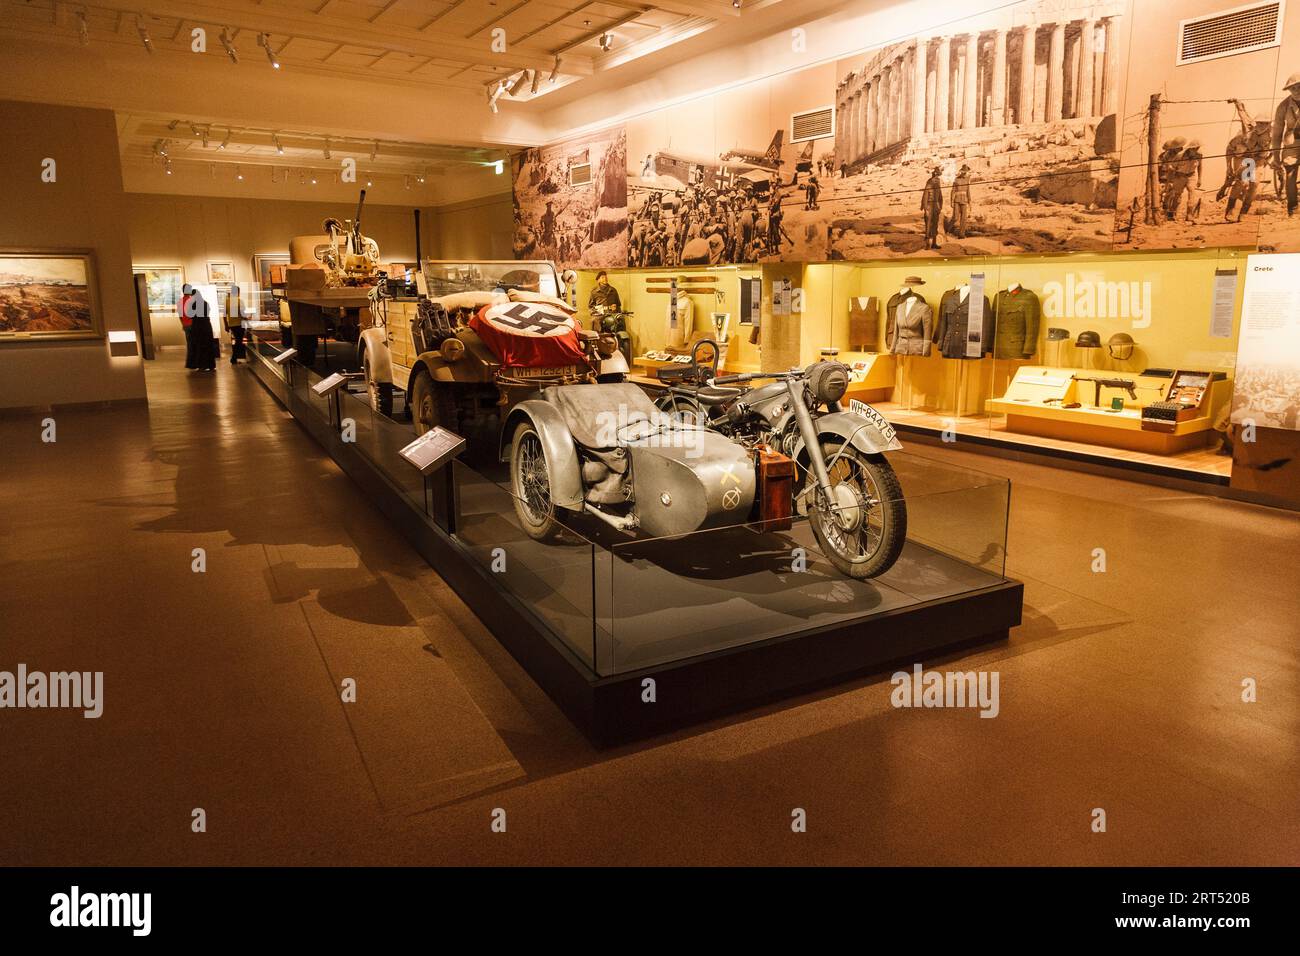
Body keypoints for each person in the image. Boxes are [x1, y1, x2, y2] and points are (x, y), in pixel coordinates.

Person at [1221, 102, 1273, 222]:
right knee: (1242, 183)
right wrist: (1228, 167)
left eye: (1265, 123)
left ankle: (1243, 212)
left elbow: (1276, 147)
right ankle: (1230, 210)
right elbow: (1243, 117)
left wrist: (1267, 159)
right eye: (1259, 123)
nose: (1261, 126)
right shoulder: (1246, 134)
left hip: (1259, 160)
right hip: (1247, 159)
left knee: (1254, 185)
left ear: (1269, 124)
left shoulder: (1272, 133)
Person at [1272, 73, 1300, 216]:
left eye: (1299, 87)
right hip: (1292, 143)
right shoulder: (1283, 107)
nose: (1296, 90)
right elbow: (1276, 134)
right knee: (1290, 175)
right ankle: (1293, 207)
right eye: (1292, 88)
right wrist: (1276, 156)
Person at [189, 286, 218, 372]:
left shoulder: (193, 304)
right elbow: (207, 312)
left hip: (198, 327)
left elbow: (191, 315)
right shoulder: (205, 303)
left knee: (200, 346)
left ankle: (202, 365)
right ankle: (211, 364)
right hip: (206, 326)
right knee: (208, 345)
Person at [921, 166, 944, 249]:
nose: (938, 178)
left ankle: (934, 243)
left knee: (935, 225)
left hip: (936, 207)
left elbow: (940, 196)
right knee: (928, 225)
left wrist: (940, 206)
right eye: (937, 176)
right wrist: (925, 209)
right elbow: (925, 197)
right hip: (929, 206)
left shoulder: (938, 183)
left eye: (938, 176)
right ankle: (928, 244)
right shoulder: (929, 183)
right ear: (934, 175)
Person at [951, 164, 972, 238]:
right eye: (963, 171)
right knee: (955, 217)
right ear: (961, 171)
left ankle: (961, 234)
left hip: (964, 200)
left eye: (965, 172)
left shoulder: (967, 180)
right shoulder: (956, 179)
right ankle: (948, 229)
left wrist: (970, 202)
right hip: (956, 200)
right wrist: (951, 201)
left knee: (964, 218)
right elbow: (953, 190)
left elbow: (968, 191)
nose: (964, 173)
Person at [178, 283, 197, 369]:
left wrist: (183, 324)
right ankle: (194, 363)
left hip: (186, 325)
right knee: (195, 344)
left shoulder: (180, 302)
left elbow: (180, 316)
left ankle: (190, 363)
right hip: (192, 325)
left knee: (189, 344)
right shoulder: (191, 300)